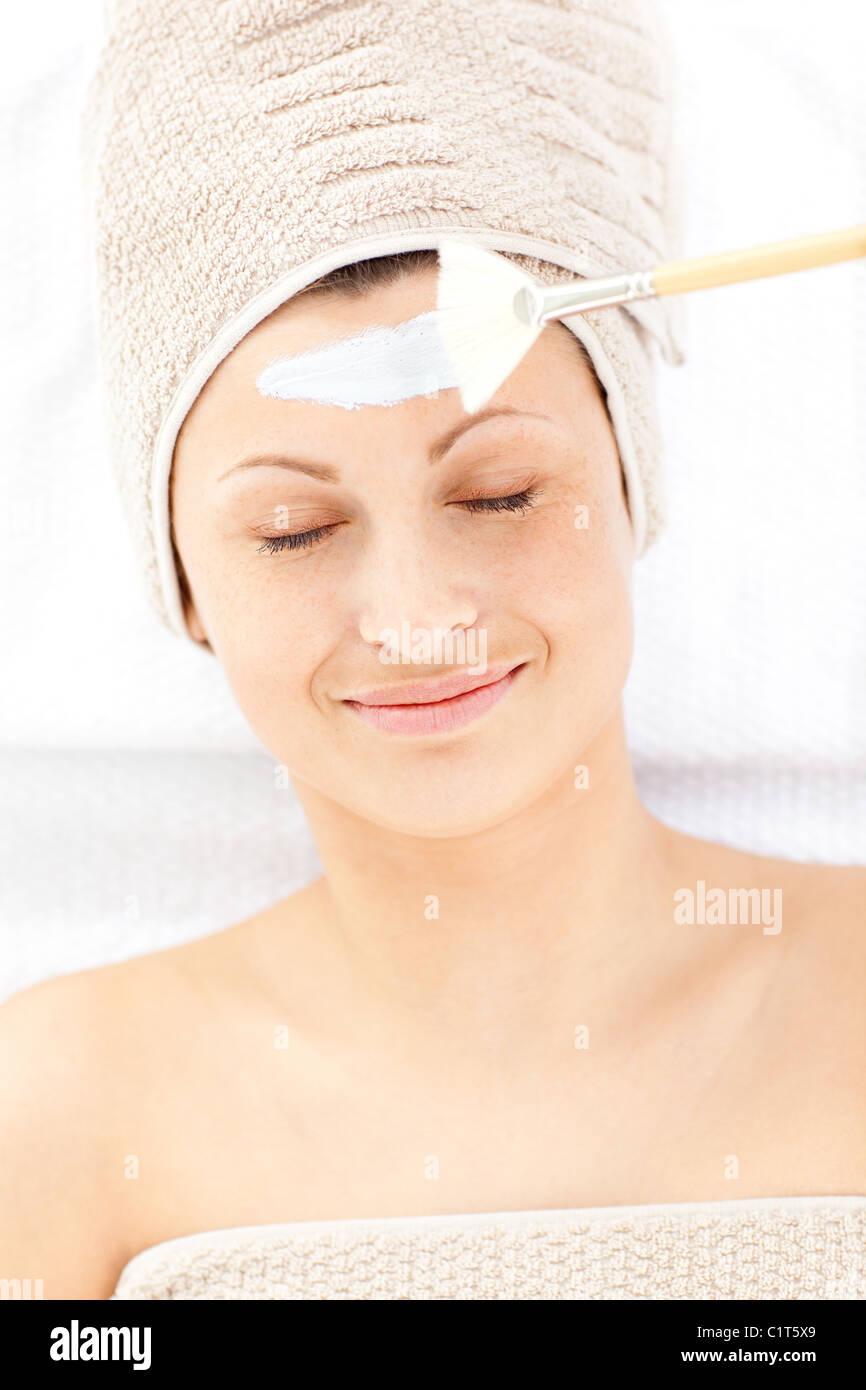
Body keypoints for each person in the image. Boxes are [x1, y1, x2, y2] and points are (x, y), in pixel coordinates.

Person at [2, 1, 864, 1300]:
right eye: (293, 530)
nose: (413, 610)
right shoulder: (63, 1107)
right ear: (185, 585)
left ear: (628, 484)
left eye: (499, 492)